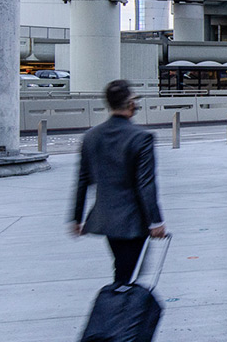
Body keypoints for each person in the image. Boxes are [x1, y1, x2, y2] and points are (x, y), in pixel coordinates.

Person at [70, 79, 168, 283]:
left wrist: (77, 217)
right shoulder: (141, 138)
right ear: (130, 104)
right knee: (126, 275)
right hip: (134, 220)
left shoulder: (91, 136)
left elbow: (82, 180)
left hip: (105, 218)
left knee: (122, 267)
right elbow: (146, 184)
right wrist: (156, 220)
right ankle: (118, 310)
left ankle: (120, 304)